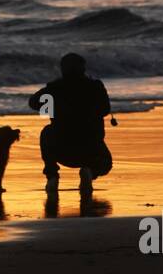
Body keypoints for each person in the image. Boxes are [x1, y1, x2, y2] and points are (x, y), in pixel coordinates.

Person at [27, 52, 117, 192]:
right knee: (106, 163)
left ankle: (52, 176)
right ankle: (89, 172)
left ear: (63, 69)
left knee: (47, 132)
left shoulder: (54, 88)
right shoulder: (95, 87)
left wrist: (52, 108)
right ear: (83, 69)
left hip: (62, 148)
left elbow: (33, 102)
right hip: (91, 149)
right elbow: (105, 109)